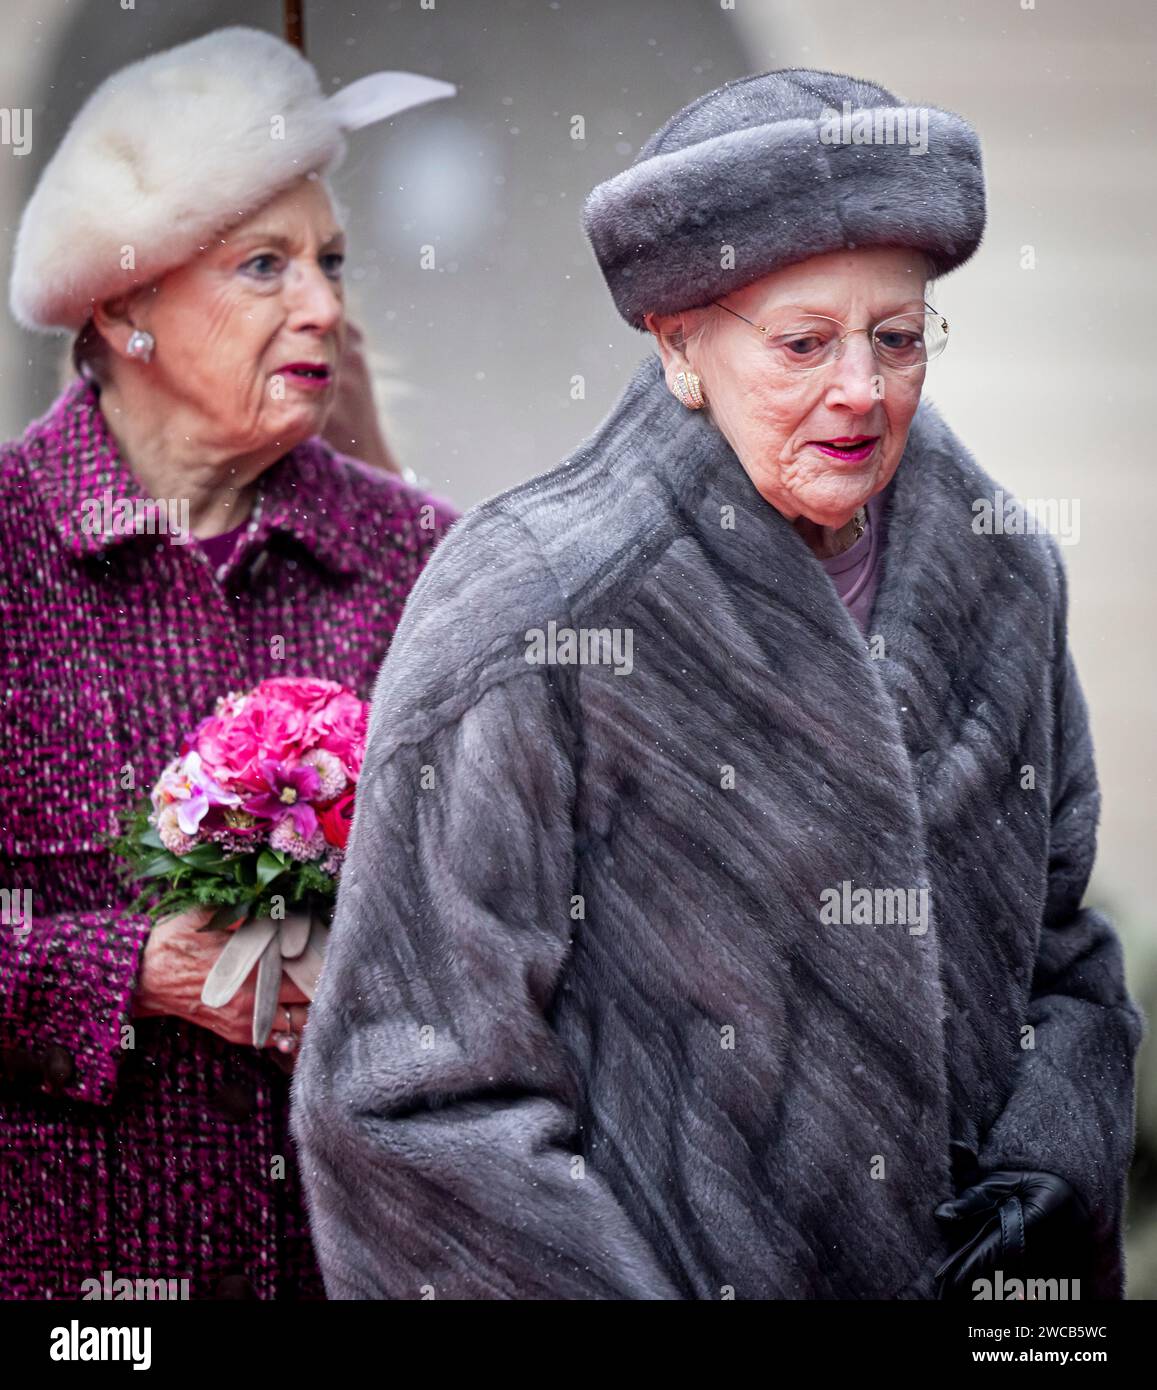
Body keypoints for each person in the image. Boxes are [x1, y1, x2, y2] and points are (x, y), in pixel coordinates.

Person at [291, 69, 1145, 1299]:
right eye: (802, 343)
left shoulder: (1002, 571)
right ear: (678, 343)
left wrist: (1052, 1171)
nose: (859, 387)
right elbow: (409, 1096)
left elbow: (1063, 954)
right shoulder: (537, 603)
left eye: (895, 338)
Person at [0, 27, 457, 1299]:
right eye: (263, 265)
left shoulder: (424, 558)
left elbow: (532, 910)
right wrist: (126, 970)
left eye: (328, 261)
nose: (322, 304)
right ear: (127, 306)